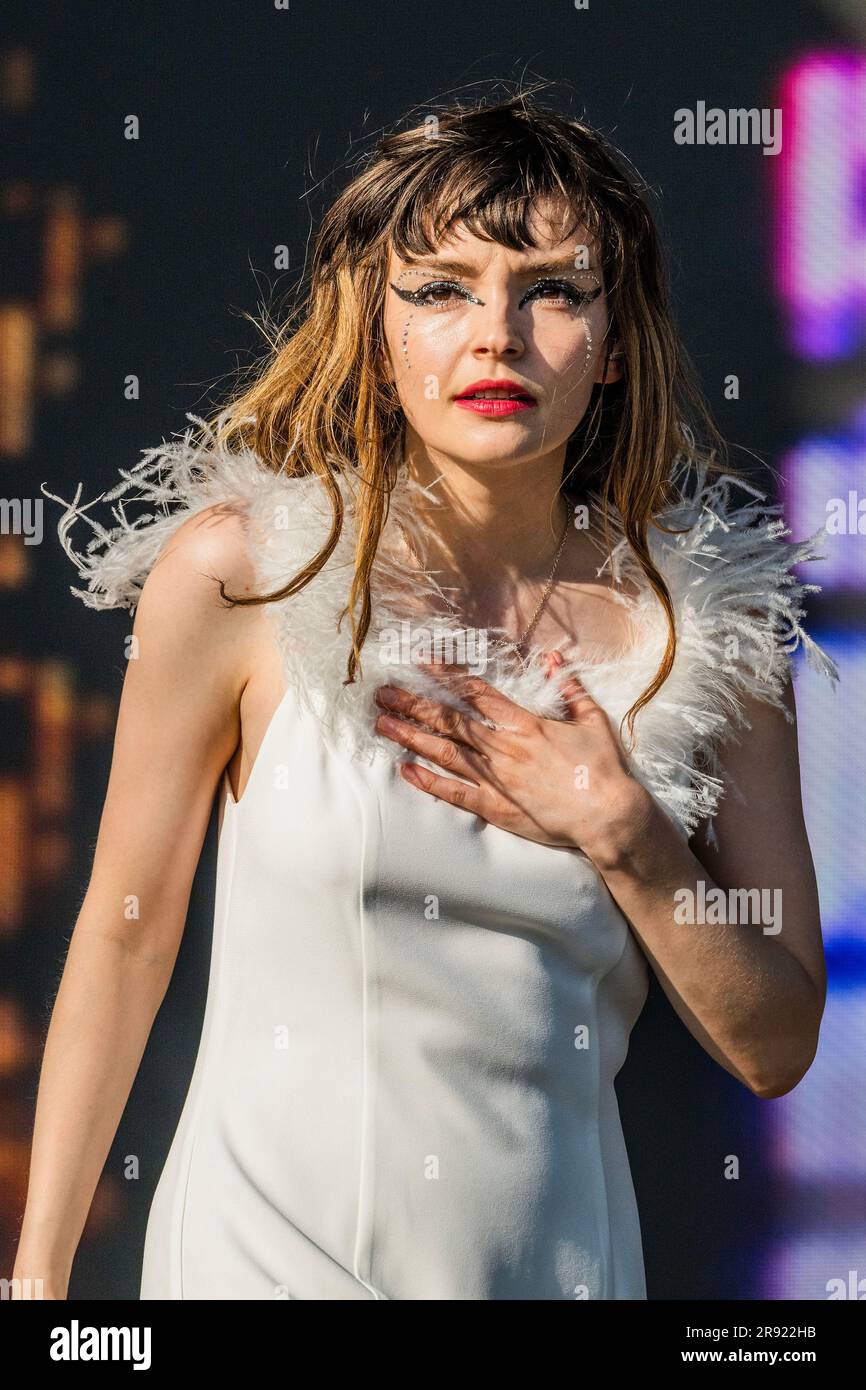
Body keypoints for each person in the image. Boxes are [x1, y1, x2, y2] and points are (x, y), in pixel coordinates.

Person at [16, 91, 838, 1301]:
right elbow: (125, 936)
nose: (494, 332)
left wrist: (633, 840)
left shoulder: (704, 645)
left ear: (615, 343)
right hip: (258, 1262)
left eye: (551, 288)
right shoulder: (245, 574)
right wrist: (35, 1280)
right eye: (439, 288)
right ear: (373, 322)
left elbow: (776, 1044)